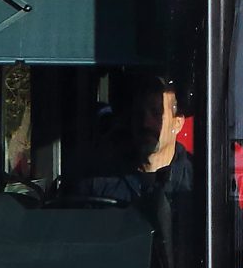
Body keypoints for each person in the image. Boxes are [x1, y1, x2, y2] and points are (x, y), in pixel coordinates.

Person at [63, 72, 194, 209]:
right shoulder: (96, 182)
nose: (145, 123)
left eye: (156, 113)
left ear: (178, 123)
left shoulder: (201, 185)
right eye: (139, 114)